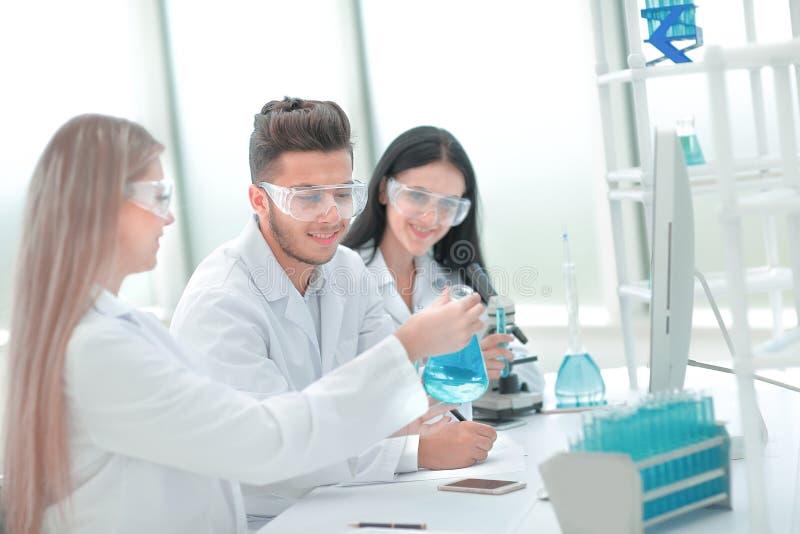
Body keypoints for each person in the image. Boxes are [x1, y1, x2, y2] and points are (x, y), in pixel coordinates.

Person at [1, 114, 484, 534]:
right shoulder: (113, 343)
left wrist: (417, 375)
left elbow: (392, 411)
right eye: (157, 195)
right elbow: (269, 443)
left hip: (322, 506)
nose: (169, 217)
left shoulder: (116, 327)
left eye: (341, 193)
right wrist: (408, 347)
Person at [170, 98, 498, 520]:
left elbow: (387, 405)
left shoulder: (345, 270)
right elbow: (275, 453)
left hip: (342, 508)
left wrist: (445, 362)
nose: (331, 216)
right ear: (258, 199)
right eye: (307, 198)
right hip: (259, 522)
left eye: (343, 194)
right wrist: (416, 448)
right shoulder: (221, 304)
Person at [343, 125, 545, 411]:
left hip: (459, 447)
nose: (431, 218)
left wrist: (494, 365)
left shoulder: (453, 280)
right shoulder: (342, 276)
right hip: (391, 451)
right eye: (417, 196)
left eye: (448, 205)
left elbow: (533, 379)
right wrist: (442, 368)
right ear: (384, 191)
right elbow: (341, 396)